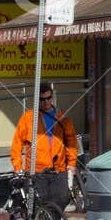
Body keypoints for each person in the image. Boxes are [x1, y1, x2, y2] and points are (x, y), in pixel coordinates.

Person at [10, 82, 78, 211]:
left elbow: (71, 142)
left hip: (58, 169)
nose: (46, 102)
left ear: (52, 98)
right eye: (42, 99)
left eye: (48, 98)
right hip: (37, 171)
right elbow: (17, 144)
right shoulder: (28, 118)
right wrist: (18, 167)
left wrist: (72, 164)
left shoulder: (62, 117)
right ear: (37, 100)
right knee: (40, 203)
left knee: (62, 199)